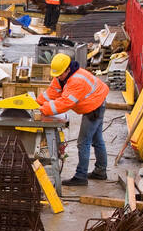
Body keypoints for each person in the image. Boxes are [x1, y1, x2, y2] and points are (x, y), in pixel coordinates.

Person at [36, 53, 109, 187]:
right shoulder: (61, 76)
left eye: (60, 75)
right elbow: (52, 92)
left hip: (94, 106)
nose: (57, 77)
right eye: (56, 75)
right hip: (97, 101)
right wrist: (37, 103)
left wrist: (43, 110)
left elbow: (65, 103)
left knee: (83, 143)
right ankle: (100, 171)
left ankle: (81, 176)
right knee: (97, 139)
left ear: (68, 69)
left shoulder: (76, 81)